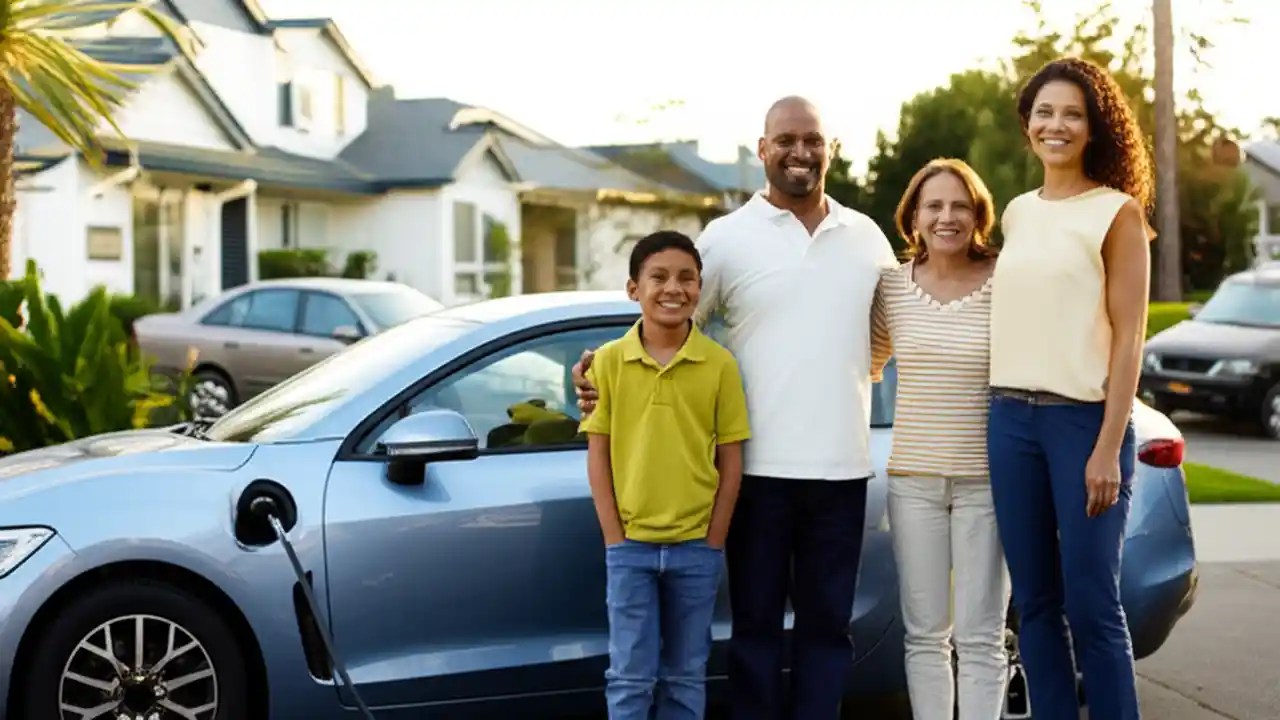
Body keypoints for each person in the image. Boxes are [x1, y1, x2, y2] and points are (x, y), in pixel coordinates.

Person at [576, 96, 898, 720]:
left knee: (827, 632)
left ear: (829, 148)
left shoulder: (865, 236)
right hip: (755, 473)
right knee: (753, 632)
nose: (800, 152)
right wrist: (599, 373)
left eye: (813, 139)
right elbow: (667, 323)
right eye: (786, 140)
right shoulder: (725, 239)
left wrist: (863, 367)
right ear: (762, 151)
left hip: (841, 471)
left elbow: (885, 328)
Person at [986, 57, 1154, 720]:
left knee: (1092, 606)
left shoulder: (1117, 214)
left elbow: (1129, 338)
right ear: (1028, 125)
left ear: (1093, 129)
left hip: (1083, 423)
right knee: (1034, 603)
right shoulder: (1019, 213)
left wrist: (1109, 446)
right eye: (1045, 113)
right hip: (1010, 421)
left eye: (1072, 114)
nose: (1056, 125)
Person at [580, 230, 751, 720]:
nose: (672, 288)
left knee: (685, 675)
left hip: (696, 549)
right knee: (630, 677)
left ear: (700, 288)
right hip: (629, 549)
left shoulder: (719, 365)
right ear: (634, 288)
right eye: (658, 277)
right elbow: (598, 454)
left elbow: (731, 459)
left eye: (686, 278)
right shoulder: (608, 362)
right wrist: (615, 537)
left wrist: (713, 539)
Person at [869, 158, 1011, 719]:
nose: (946, 217)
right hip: (913, 484)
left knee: (981, 635)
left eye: (959, 205)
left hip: (987, 483)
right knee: (925, 634)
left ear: (978, 214)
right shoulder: (891, 288)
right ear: (914, 217)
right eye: (934, 205)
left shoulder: (1008, 278)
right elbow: (864, 362)